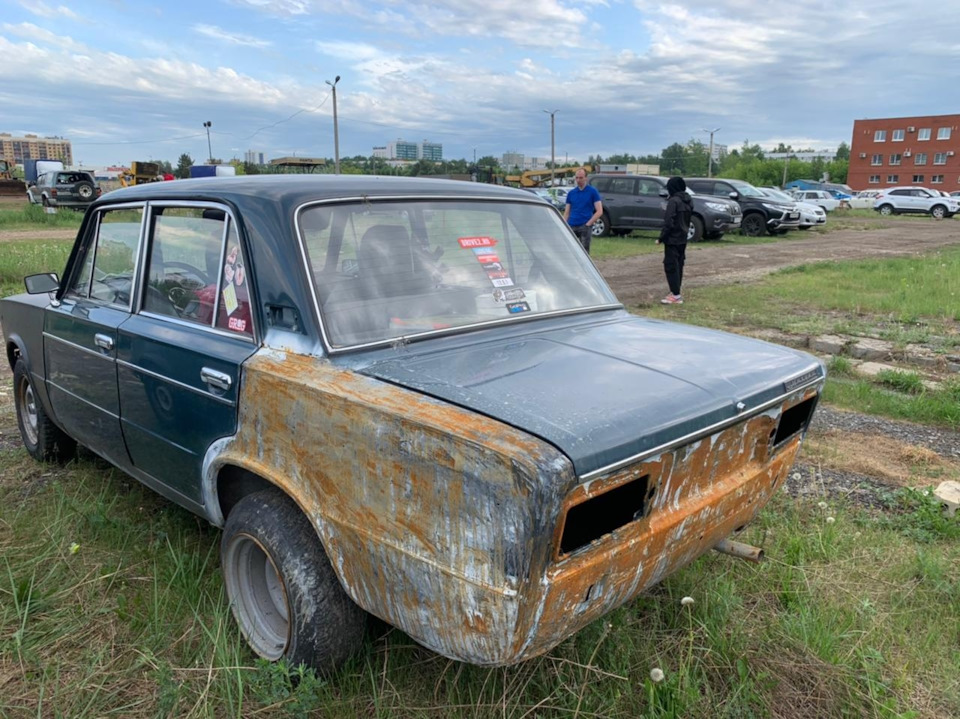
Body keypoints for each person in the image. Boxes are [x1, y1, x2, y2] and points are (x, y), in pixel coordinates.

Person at [658, 176, 693, 305]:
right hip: (683, 238)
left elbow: (669, 221)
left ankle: (676, 295)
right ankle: (675, 292)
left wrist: (661, 238)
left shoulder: (673, 201)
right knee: (679, 264)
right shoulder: (688, 200)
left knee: (671, 265)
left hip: (672, 239)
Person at [563, 169, 602, 254]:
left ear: (586, 178)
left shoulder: (592, 192)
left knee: (584, 252)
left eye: (581, 178)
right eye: (577, 178)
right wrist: (563, 225)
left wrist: (588, 224)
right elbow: (566, 212)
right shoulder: (571, 193)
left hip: (584, 226)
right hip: (571, 225)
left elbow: (599, 211)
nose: (578, 180)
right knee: (568, 250)